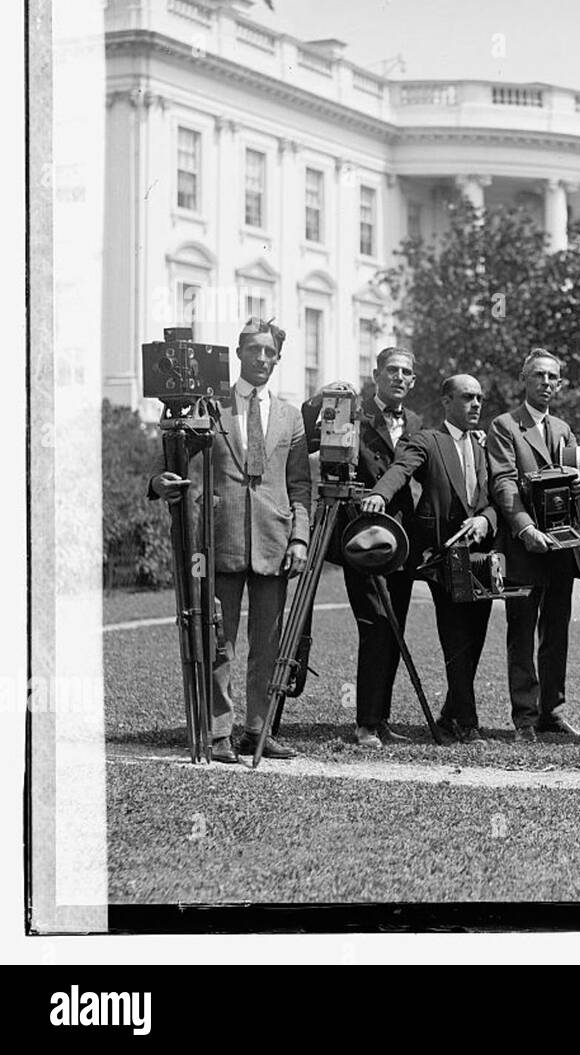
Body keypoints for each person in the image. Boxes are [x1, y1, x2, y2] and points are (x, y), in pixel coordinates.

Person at [150, 318, 310, 764]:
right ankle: (218, 732)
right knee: (220, 641)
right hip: (218, 541)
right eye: (254, 350)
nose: (262, 359)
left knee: (270, 645)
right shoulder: (210, 404)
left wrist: (299, 538)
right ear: (239, 354)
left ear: (278, 359)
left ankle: (257, 730)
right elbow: (178, 459)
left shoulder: (290, 416)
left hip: (274, 543)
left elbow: (300, 488)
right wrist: (157, 481)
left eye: (270, 353)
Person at [361, 375, 497, 742]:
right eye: (467, 397)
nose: (476, 405)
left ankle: (452, 712)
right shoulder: (427, 441)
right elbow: (400, 471)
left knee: (475, 638)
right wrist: (380, 496)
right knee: (455, 638)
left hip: (481, 559)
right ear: (446, 402)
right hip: (442, 560)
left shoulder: (485, 448)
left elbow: (493, 497)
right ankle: (467, 724)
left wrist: (485, 519)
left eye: (479, 398)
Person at [301, 348, 422, 750]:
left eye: (406, 372)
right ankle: (366, 723)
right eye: (392, 370)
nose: (399, 378)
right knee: (375, 625)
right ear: (375, 375)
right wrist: (321, 400)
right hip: (361, 534)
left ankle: (381, 717)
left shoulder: (417, 423)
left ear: (413, 380)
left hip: (402, 540)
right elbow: (306, 438)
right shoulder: (352, 411)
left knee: (395, 628)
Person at [486, 348, 580, 742]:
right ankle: (525, 718)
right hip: (526, 548)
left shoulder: (564, 428)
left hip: (563, 548)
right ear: (524, 378)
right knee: (521, 632)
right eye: (539, 376)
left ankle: (553, 710)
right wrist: (524, 528)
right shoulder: (504, 426)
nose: (546, 383)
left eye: (553, 378)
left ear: (560, 384)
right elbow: (502, 481)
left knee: (556, 632)